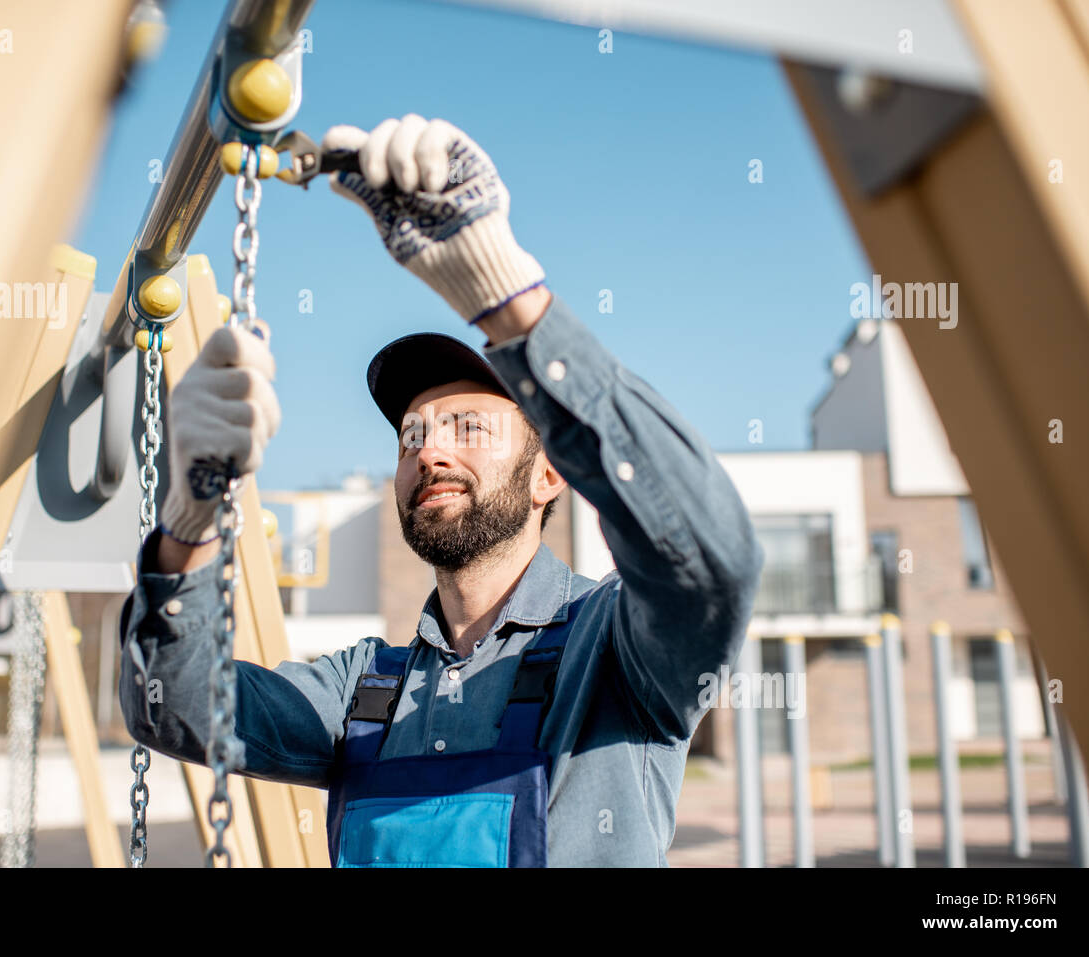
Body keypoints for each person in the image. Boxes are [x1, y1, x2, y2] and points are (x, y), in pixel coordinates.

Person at [119, 115, 763, 867]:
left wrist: (504, 291)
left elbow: (710, 561)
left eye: (465, 425)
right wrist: (191, 513)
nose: (429, 452)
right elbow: (175, 704)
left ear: (549, 472)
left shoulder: (616, 651)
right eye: (411, 436)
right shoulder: (364, 687)